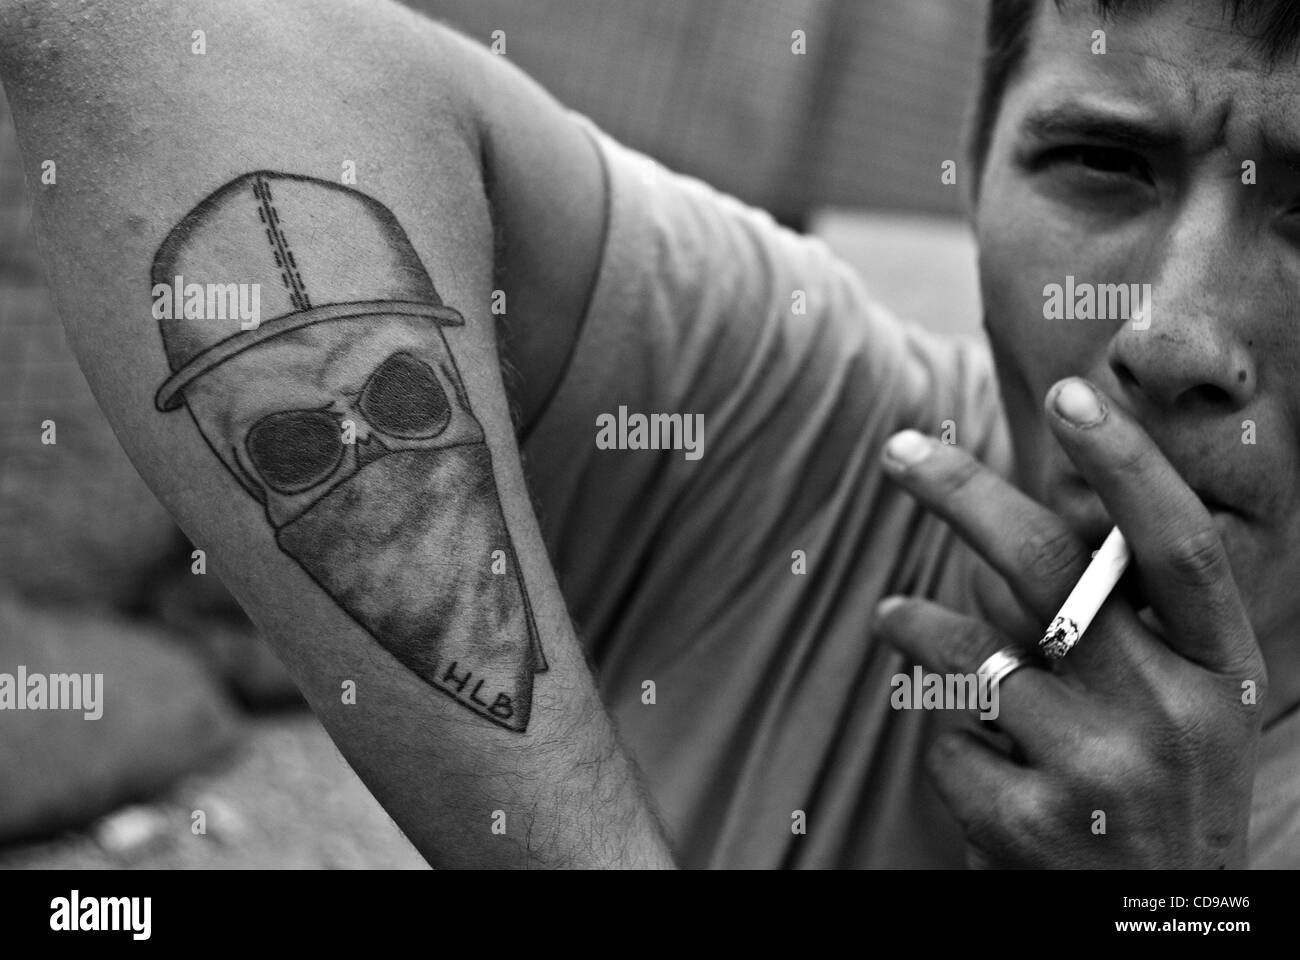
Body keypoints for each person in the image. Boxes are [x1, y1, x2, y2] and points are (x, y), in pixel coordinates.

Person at [0, 0, 1296, 868]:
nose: (1171, 334)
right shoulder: (802, 424)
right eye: (1101, 165)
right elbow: (141, 32)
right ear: (976, 159)